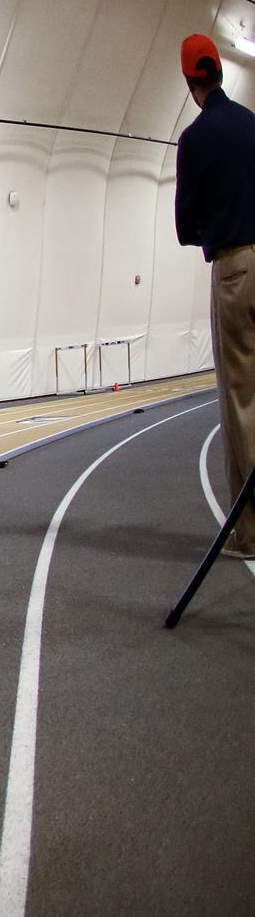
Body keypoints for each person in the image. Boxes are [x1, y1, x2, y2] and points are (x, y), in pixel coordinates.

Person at [174, 32, 255, 557]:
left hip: (235, 270)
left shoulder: (196, 139)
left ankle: (249, 533)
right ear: (220, 73)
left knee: (242, 399)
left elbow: (185, 227)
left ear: (190, 82)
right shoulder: (253, 124)